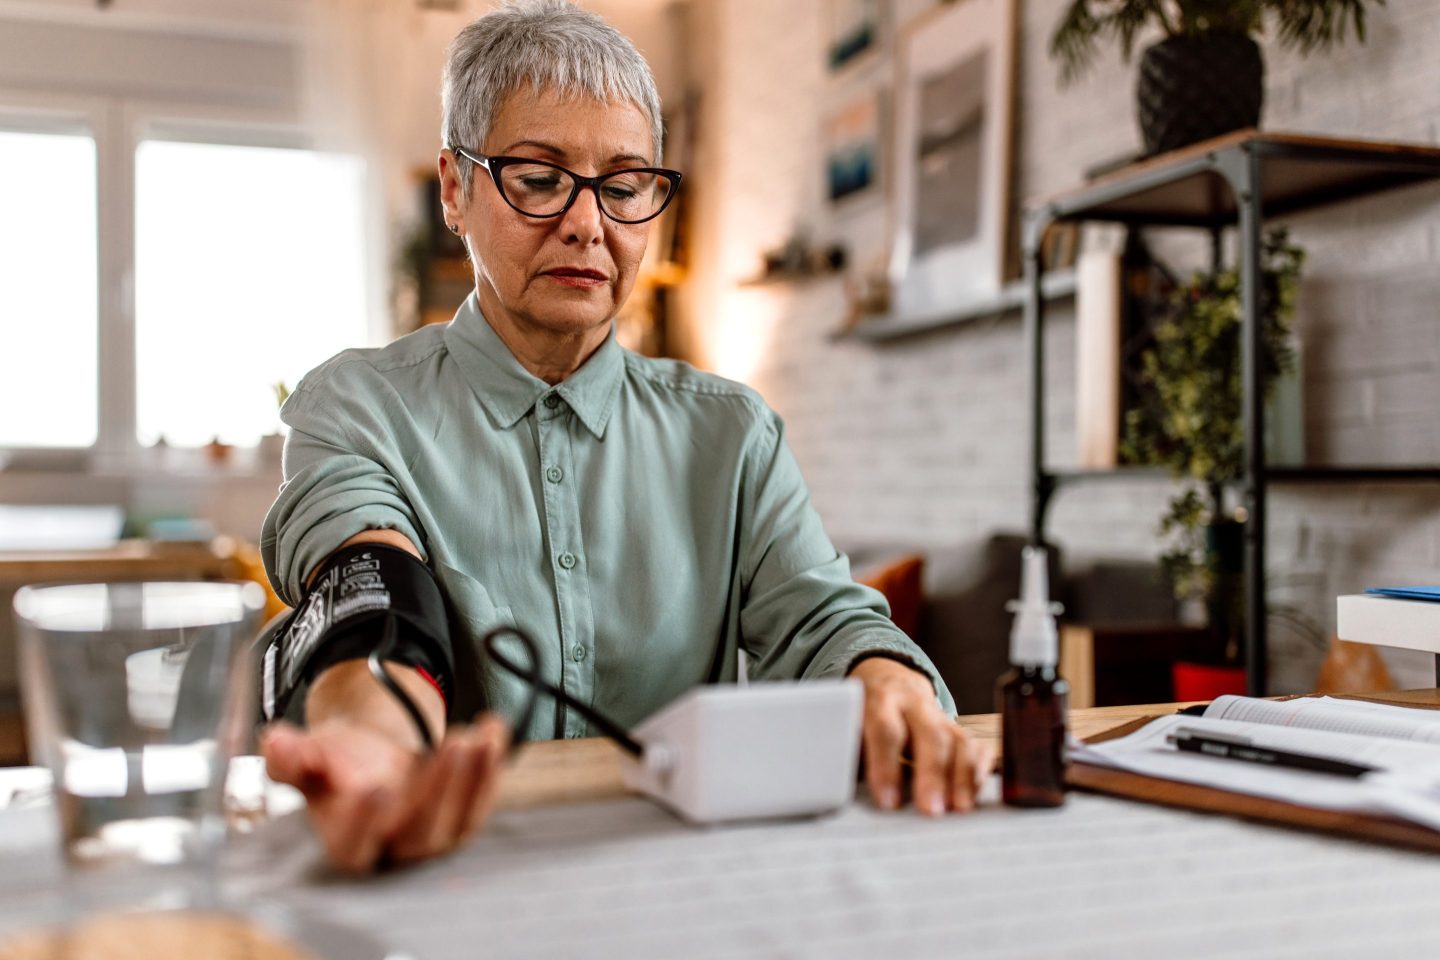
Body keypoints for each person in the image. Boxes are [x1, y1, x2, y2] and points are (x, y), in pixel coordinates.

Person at [259, 0, 991, 874]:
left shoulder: (733, 433)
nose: (587, 223)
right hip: (451, 864)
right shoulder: (355, 406)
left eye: (624, 184)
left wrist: (886, 680)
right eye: (538, 176)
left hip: (687, 876)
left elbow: (822, 618)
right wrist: (373, 737)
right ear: (455, 190)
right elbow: (372, 602)